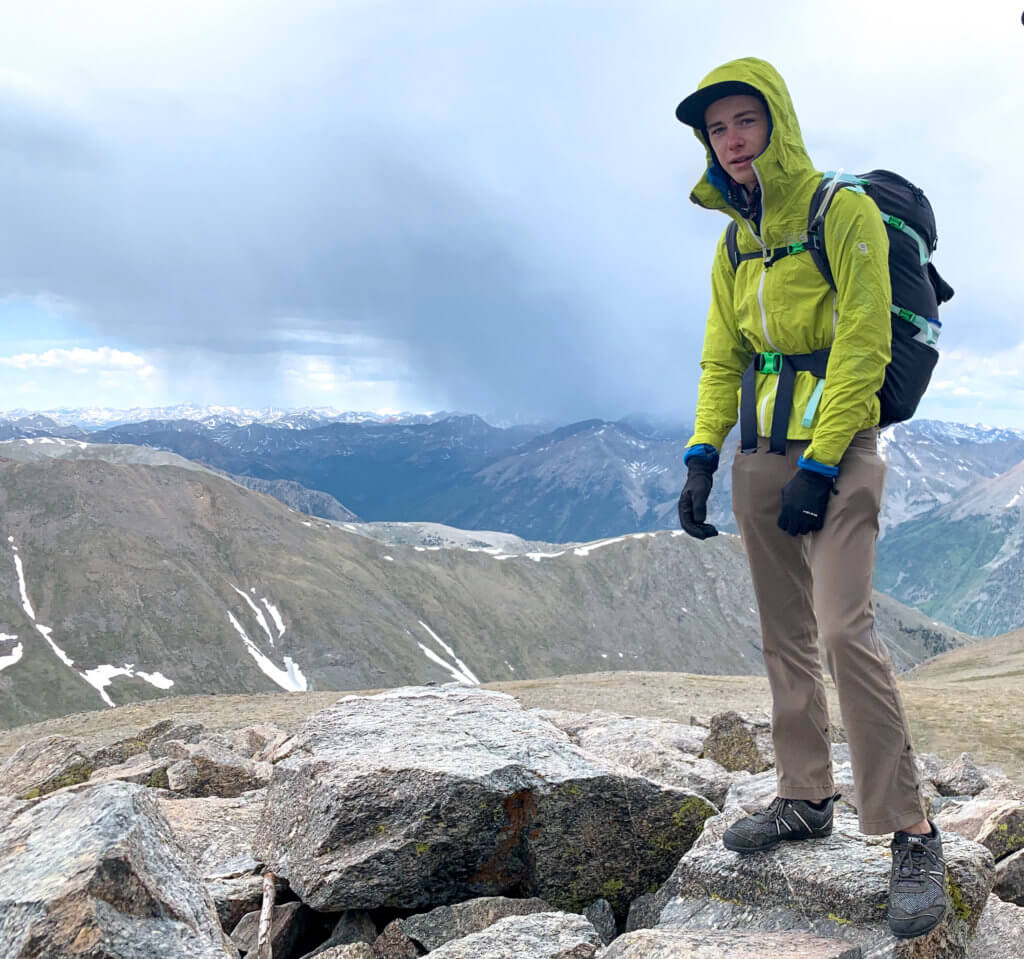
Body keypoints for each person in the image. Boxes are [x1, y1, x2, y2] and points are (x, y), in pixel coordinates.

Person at [673, 57, 947, 940]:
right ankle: (803, 793)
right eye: (717, 129)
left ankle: (912, 831)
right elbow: (725, 356)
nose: (733, 140)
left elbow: (865, 338)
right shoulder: (732, 242)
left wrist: (825, 465)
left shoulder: (842, 211)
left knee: (841, 628)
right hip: (759, 451)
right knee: (784, 633)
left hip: (839, 449)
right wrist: (703, 455)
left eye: (745, 121)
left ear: (777, 123)